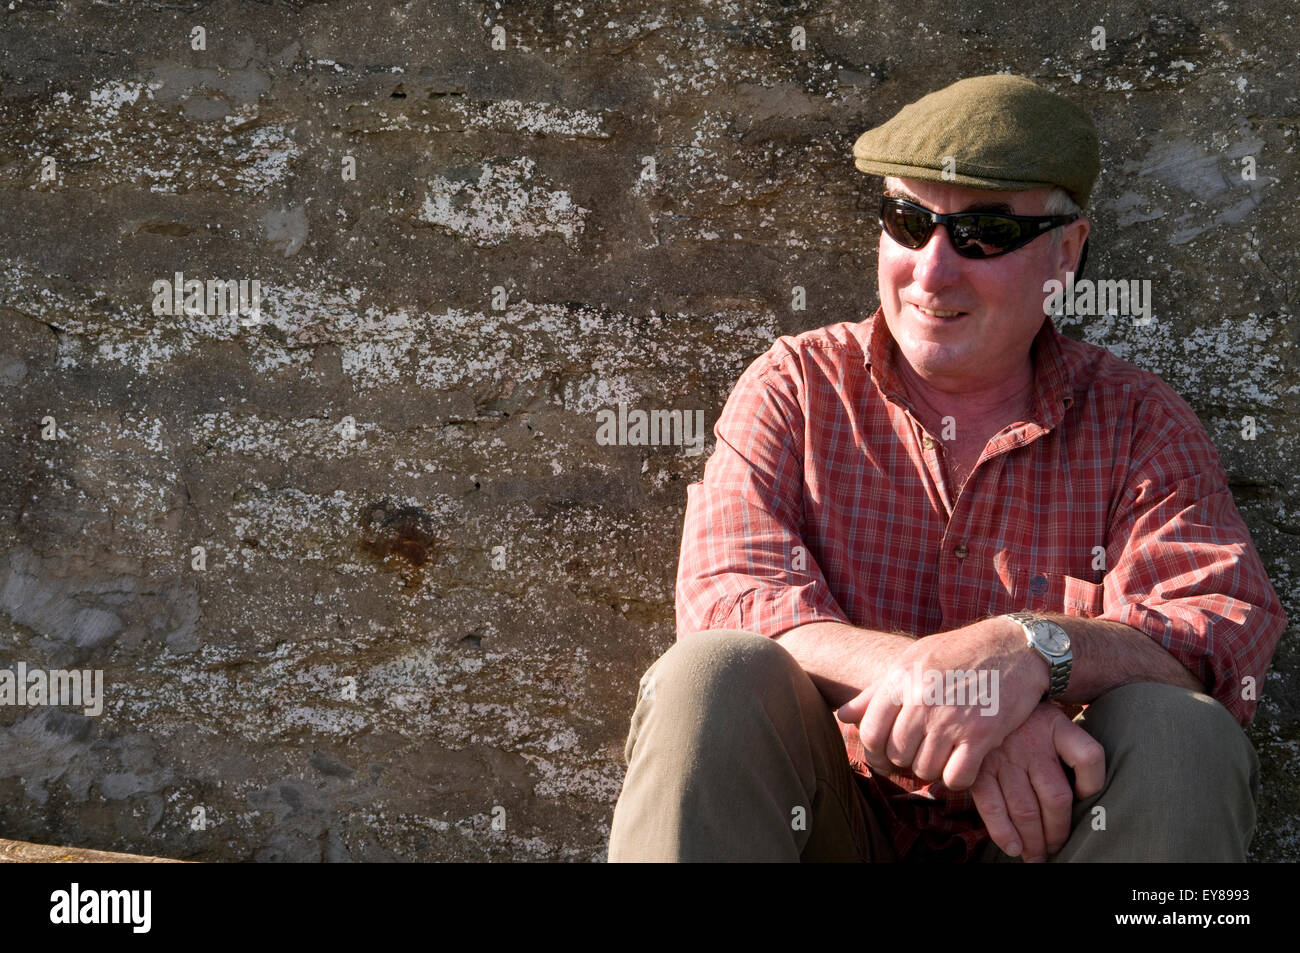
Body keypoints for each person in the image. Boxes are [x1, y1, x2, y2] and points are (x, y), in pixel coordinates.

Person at [607, 74, 1287, 862]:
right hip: (831, 829)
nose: (933, 272)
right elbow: (732, 600)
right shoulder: (797, 387)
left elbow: (1217, 638)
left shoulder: (1138, 422)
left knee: (1184, 733)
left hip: (1054, 838)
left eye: (985, 233)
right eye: (908, 221)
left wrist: (1035, 651)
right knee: (710, 680)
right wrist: (967, 687)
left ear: (1064, 254)